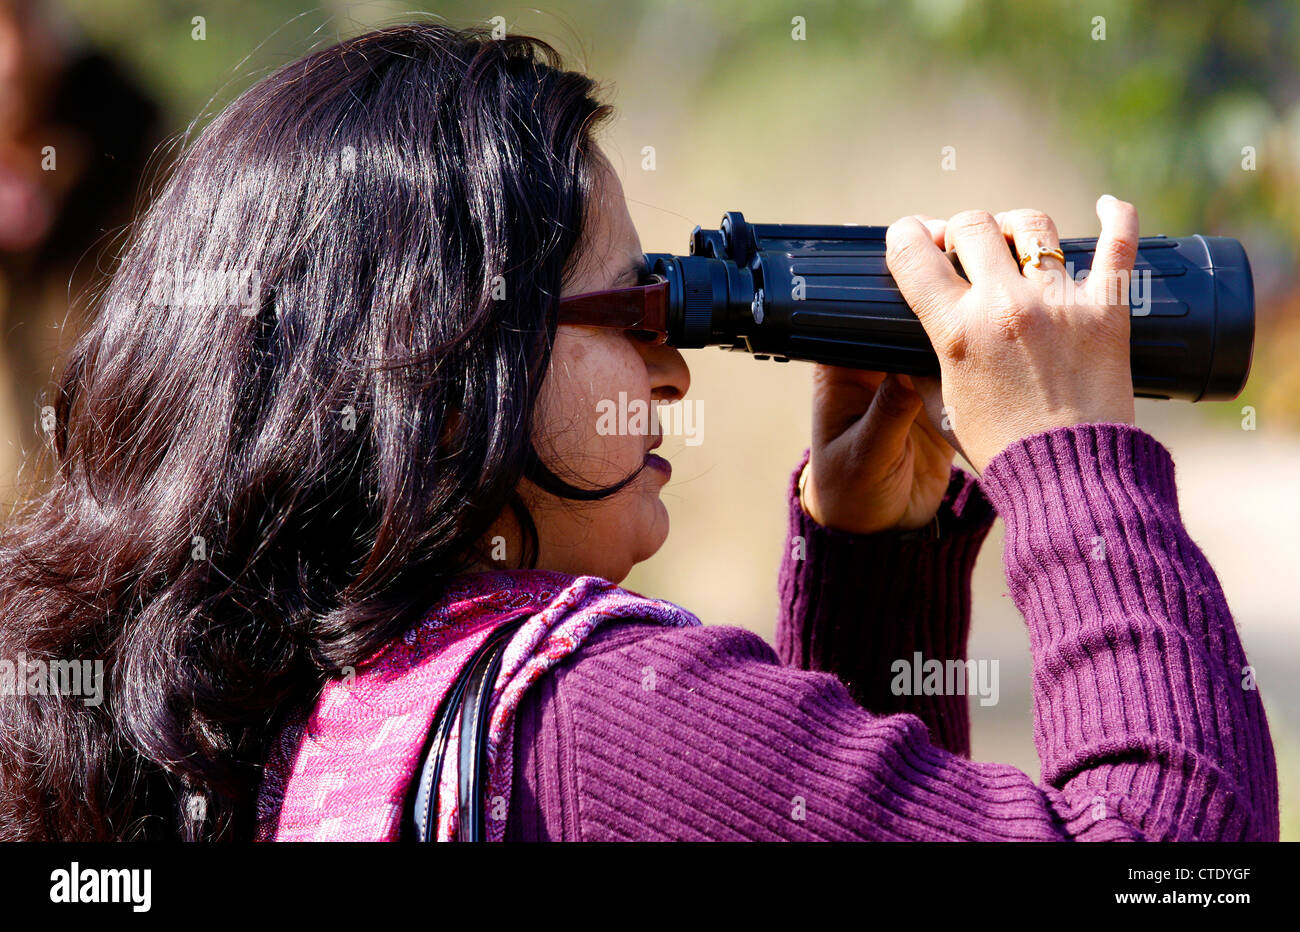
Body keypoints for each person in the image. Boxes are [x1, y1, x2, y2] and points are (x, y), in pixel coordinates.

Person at [0, 23, 1277, 842]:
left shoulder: (274, 708)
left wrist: (878, 563)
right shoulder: (589, 711)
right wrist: (1073, 462)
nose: (669, 369)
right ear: (443, 379)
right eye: (633, 306)